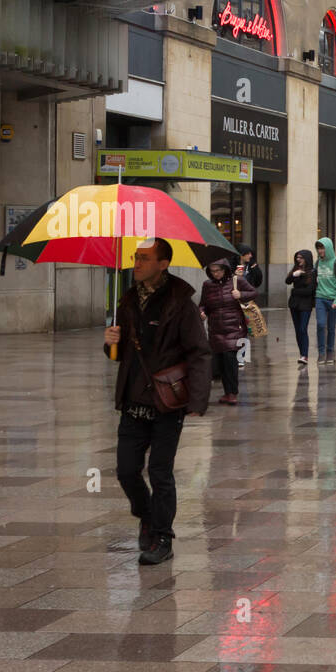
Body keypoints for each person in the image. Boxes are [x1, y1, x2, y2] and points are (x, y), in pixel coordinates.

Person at [103, 239, 210, 566]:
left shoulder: (180, 303)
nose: (137, 263)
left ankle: (162, 537)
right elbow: (117, 354)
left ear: (163, 263)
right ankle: (147, 514)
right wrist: (109, 344)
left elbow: (199, 353)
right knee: (126, 471)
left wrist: (198, 398)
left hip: (166, 402)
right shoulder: (128, 299)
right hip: (133, 400)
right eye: (136, 257)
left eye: (145, 258)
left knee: (160, 471)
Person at [199, 259, 256, 404]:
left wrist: (241, 294)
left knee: (230, 359)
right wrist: (202, 312)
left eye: (218, 270)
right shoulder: (207, 285)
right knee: (221, 362)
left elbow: (254, 292)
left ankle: (232, 393)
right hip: (216, 328)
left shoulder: (237, 281)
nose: (216, 274)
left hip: (234, 327)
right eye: (212, 271)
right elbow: (203, 304)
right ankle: (227, 392)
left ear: (225, 269)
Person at [313, 237, 336, 365]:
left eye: (322, 248)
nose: (320, 251)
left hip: (333, 300)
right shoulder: (317, 263)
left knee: (331, 328)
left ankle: (330, 352)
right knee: (321, 325)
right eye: (319, 248)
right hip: (320, 297)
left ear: (329, 248)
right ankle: (321, 353)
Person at [285, 249, 316, 364]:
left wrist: (294, 291)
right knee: (298, 330)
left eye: (301, 258)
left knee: (303, 329)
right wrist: (294, 275)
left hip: (306, 305)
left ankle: (305, 355)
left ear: (307, 259)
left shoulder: (312, 272)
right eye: (297, 257)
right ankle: (302, 354)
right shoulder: (295, 270)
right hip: (294, 304)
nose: (298, 260)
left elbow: (309, 291)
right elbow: (287, 281)